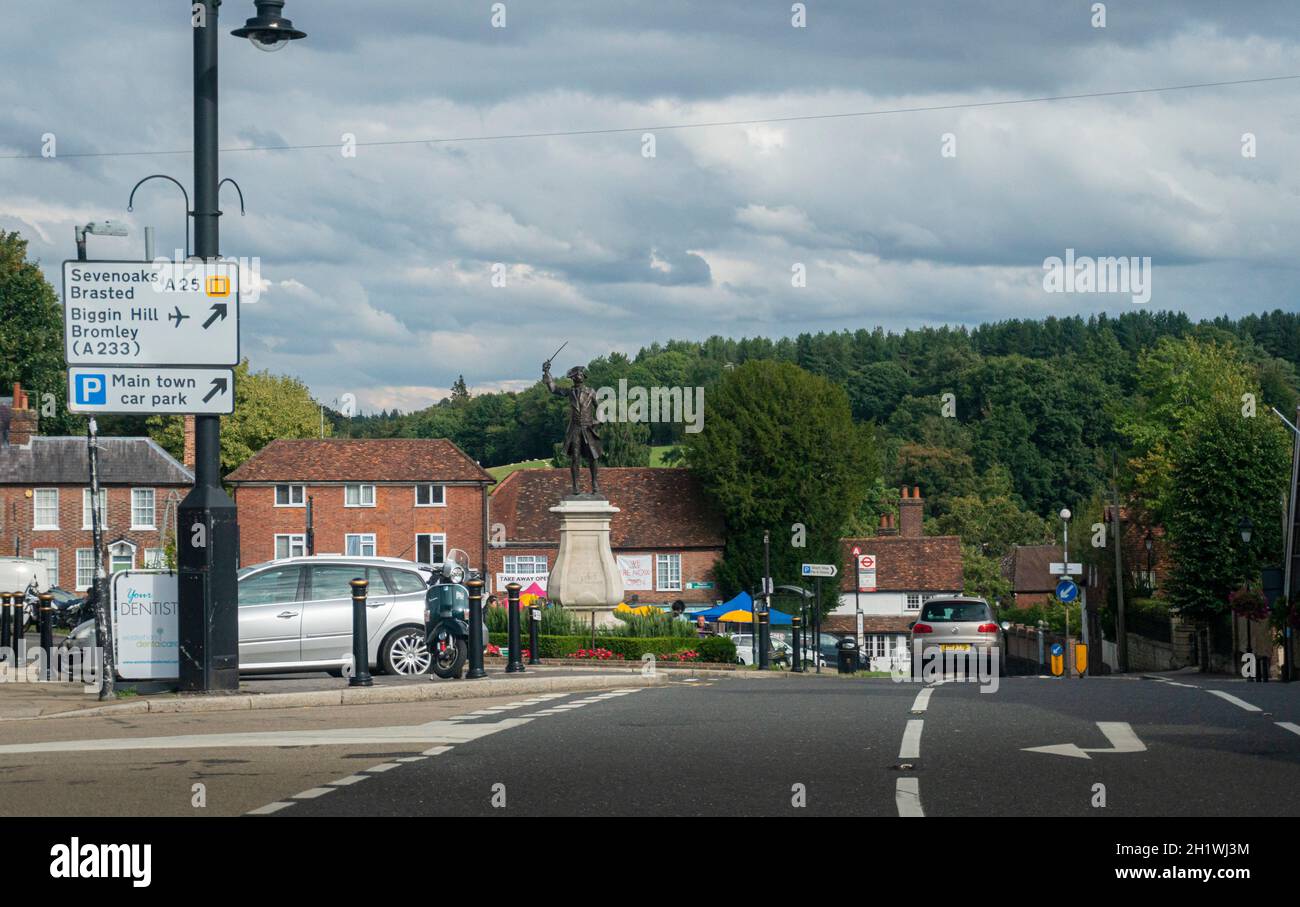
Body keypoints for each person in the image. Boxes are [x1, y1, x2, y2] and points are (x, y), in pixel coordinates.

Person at [543, 361, 602, 495]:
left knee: (593, 457)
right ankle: (575, 485)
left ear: (583, 377)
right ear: (574, 378)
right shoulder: (570, 392)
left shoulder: (591, 391)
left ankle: (594, 483)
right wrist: (547, 373)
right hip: (575, 429)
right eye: (577, 375)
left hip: (588, 428)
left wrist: (597, 421)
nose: (579, 376)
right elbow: (553, 389)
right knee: (575, 458)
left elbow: (600, 408)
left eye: (580, 374)